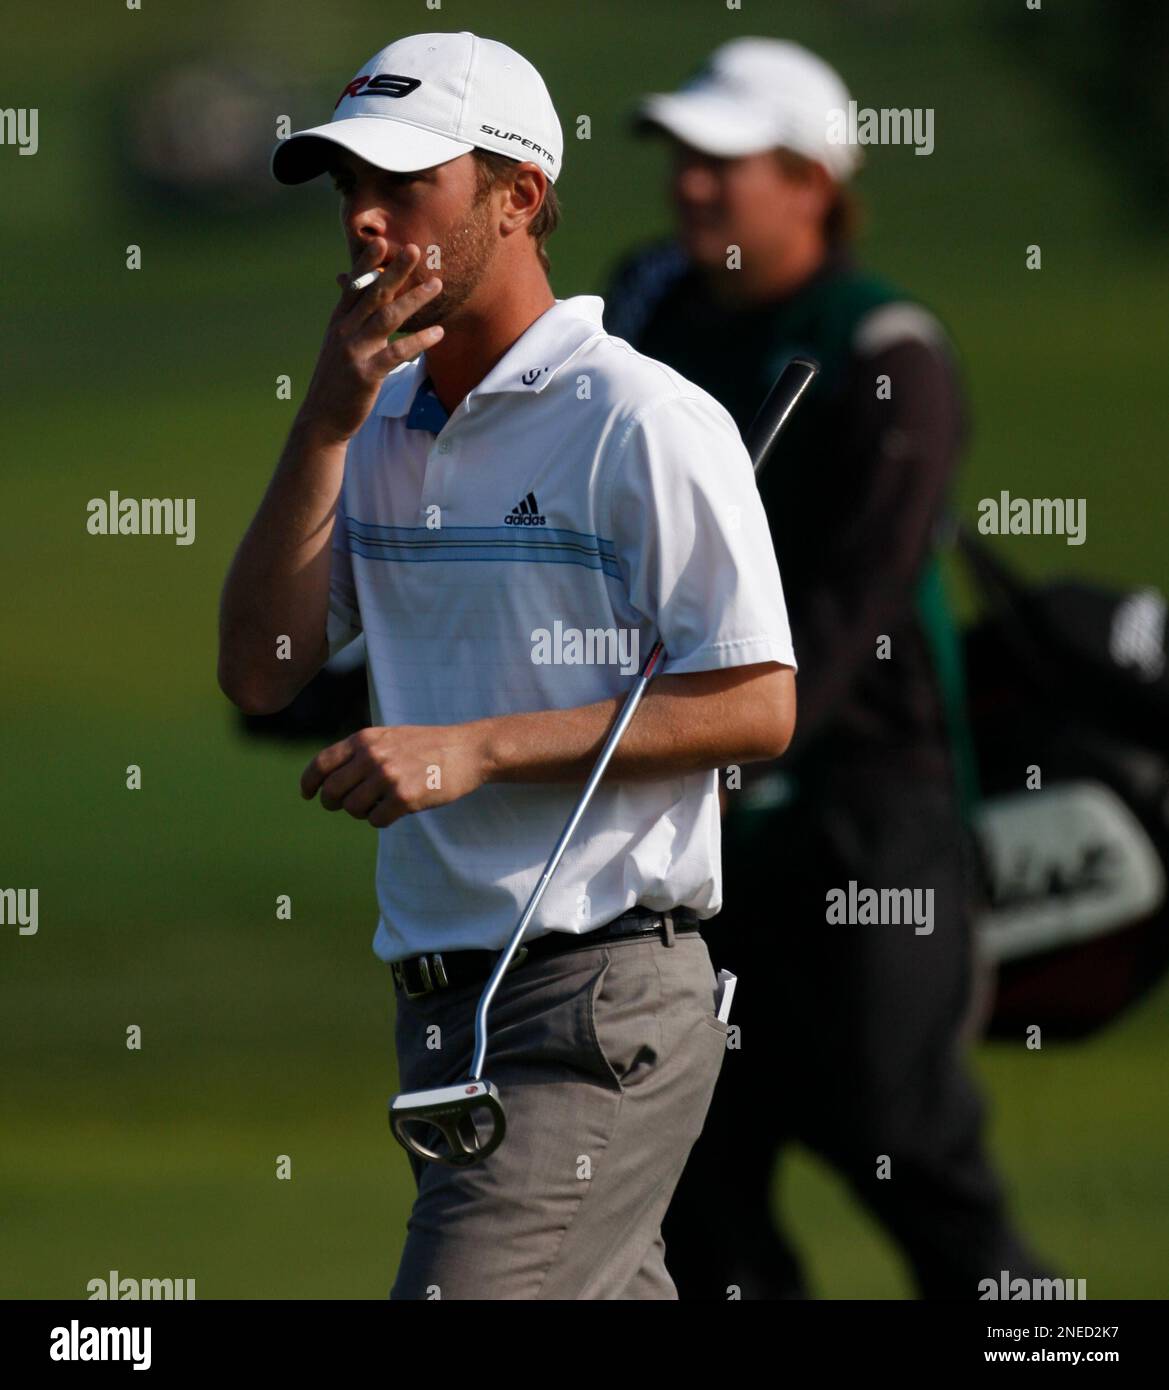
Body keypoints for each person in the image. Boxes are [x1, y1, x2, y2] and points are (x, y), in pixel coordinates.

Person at [217, 31, 798, 1300]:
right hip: (442, 1008)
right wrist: (323, 424)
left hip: (595, 997)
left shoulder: (639, 419)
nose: (364, 222)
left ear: (516, 197)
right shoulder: (370, 421)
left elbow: (757, 702)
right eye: (344, 189)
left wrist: (472, 748)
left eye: (403, 185)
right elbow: (262, 672)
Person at [604, 37, 1052, 1298]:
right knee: (702, 1184)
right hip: (693, 817)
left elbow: (844, 618)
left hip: (865, 815)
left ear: (810, 181)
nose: (689, 186)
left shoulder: (883, 348)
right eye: (682, 162)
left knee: (903, 1142)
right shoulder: (649, 314)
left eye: (722, 163)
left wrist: (702, 737)